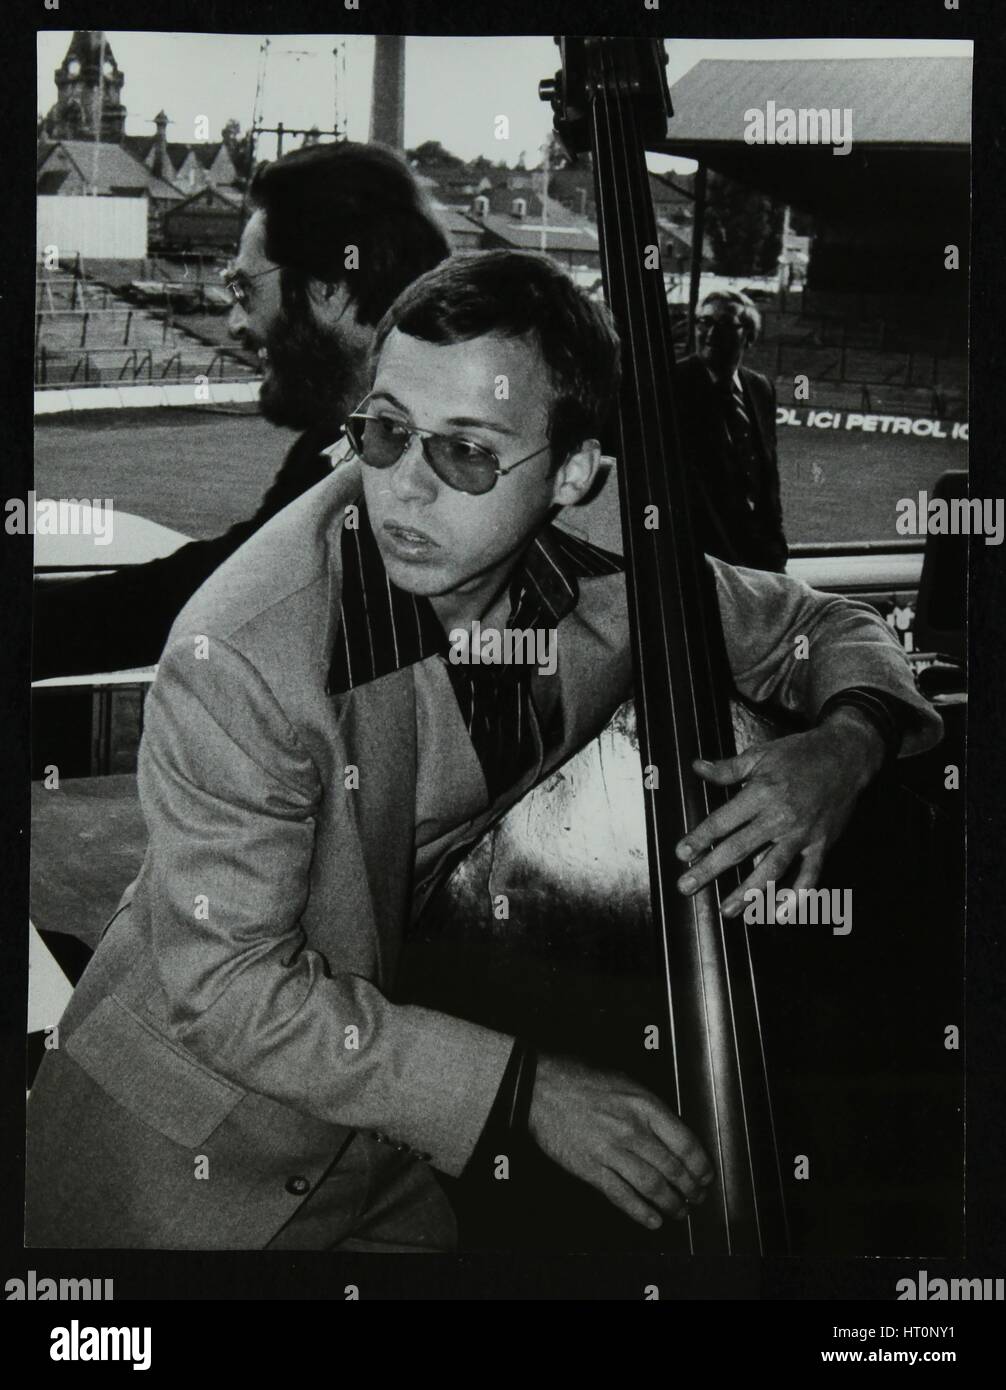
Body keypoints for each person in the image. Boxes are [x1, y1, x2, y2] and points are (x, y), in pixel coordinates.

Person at [25, 251, 942, 1252]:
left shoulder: (605, 554)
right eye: (382, 432)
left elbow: (817, 620)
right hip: (182, 1153)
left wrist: (847, 745)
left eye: (465, 452)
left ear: (573, 473)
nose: (401, 492)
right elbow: (228, 991)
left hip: (391, 1142)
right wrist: (529, 1091)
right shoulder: (242, 651)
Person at [31, 141, 450, 680]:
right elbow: (220, 576)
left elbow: (218, 601)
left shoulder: (418, 466)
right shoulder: (331, 446)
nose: (234, 324)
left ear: (329, 290)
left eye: (244, 290)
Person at [675, 289, 788, 573]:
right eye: (703, 322)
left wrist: (776, 552)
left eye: (724, 324)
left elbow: (767, 477)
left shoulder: (761, 388)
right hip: (703, 564)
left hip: (760, 560)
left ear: (748, 336)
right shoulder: (671, 384)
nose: (710, 332)